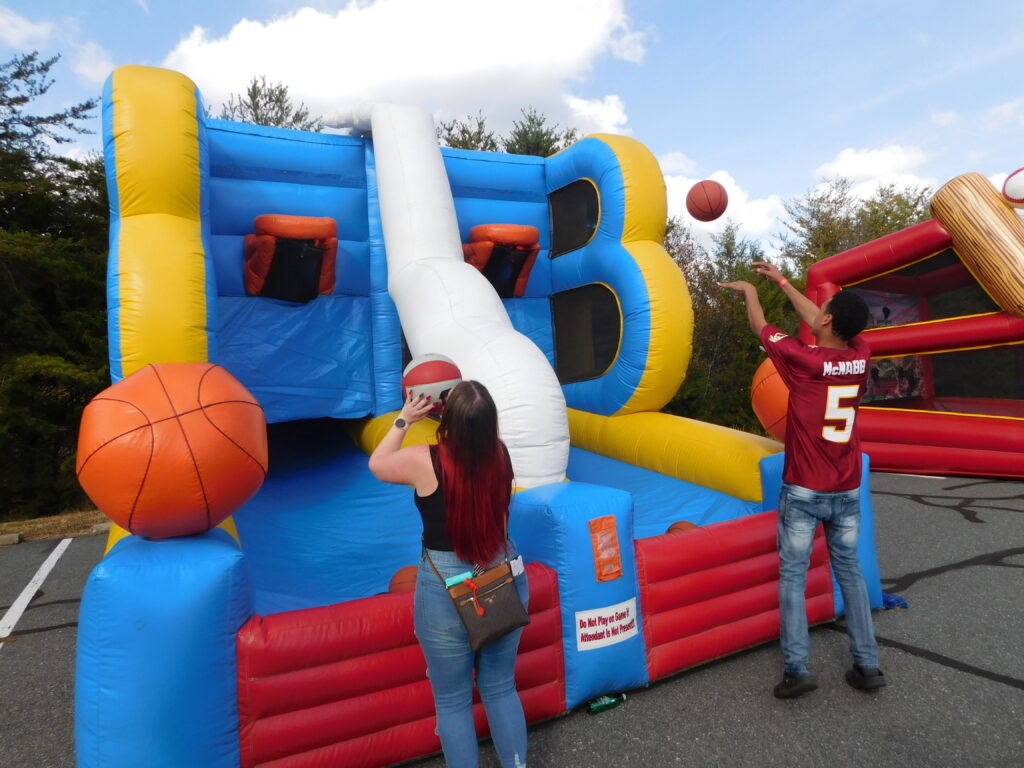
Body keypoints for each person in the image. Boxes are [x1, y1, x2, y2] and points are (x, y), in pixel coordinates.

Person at [720, 262, 887, 700]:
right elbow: (820, 320)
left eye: (823, 309)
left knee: (792, 576)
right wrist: (782, 281)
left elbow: (761, 324)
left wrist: (749, 292)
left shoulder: (803, 360)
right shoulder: (861, 354)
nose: (816, 312)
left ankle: (798, 669)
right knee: (849, 573)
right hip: (847, 489)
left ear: (826, 320)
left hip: (805, 490)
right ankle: (868, 665)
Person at [369, 380, 529, 768]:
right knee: (501, 688)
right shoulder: (501, 455)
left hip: (447, 590)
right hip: (501, 576)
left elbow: (376, 463)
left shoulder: (423, 460)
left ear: (447, 422)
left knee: (453, 702)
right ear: (489, 423)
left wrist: (404, 419)